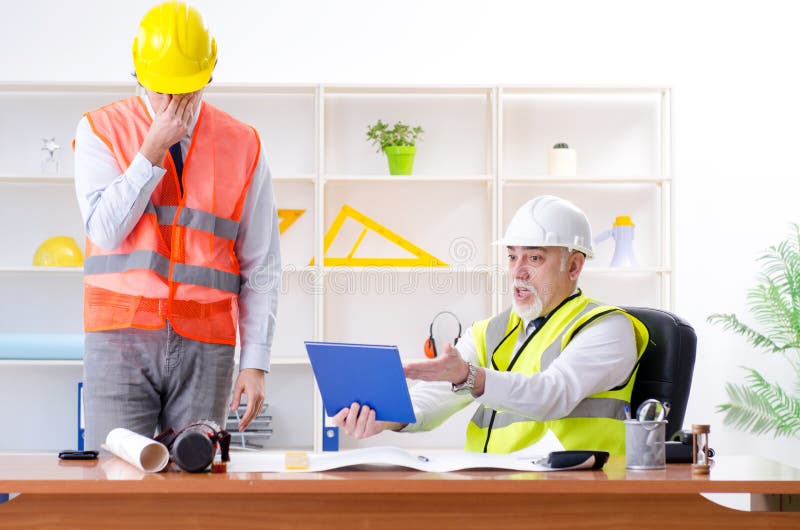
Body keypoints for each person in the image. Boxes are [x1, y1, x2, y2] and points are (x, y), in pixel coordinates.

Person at [74, 1, 280, 450]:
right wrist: (150, 151)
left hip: (207, 344)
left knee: (195, 476)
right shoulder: (100, 130)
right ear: (139, 75)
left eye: (184, 90)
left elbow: (261, 262)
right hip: (119, 336)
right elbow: (105, 231)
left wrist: (256, 361)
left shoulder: (243, 143)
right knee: (116, 474)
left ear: (209, 74)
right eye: (160, 91)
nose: (171, 104)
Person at [333, 195, 648, 454]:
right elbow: (438, 395)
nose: (518, 271)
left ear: (574, 266)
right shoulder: (491, 331)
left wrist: (469, 376)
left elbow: (552, 395)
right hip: (497, 487)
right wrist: (386, 416)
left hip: (579, 491)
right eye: (512, 257)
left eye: (534, 258)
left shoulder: (607, 327)